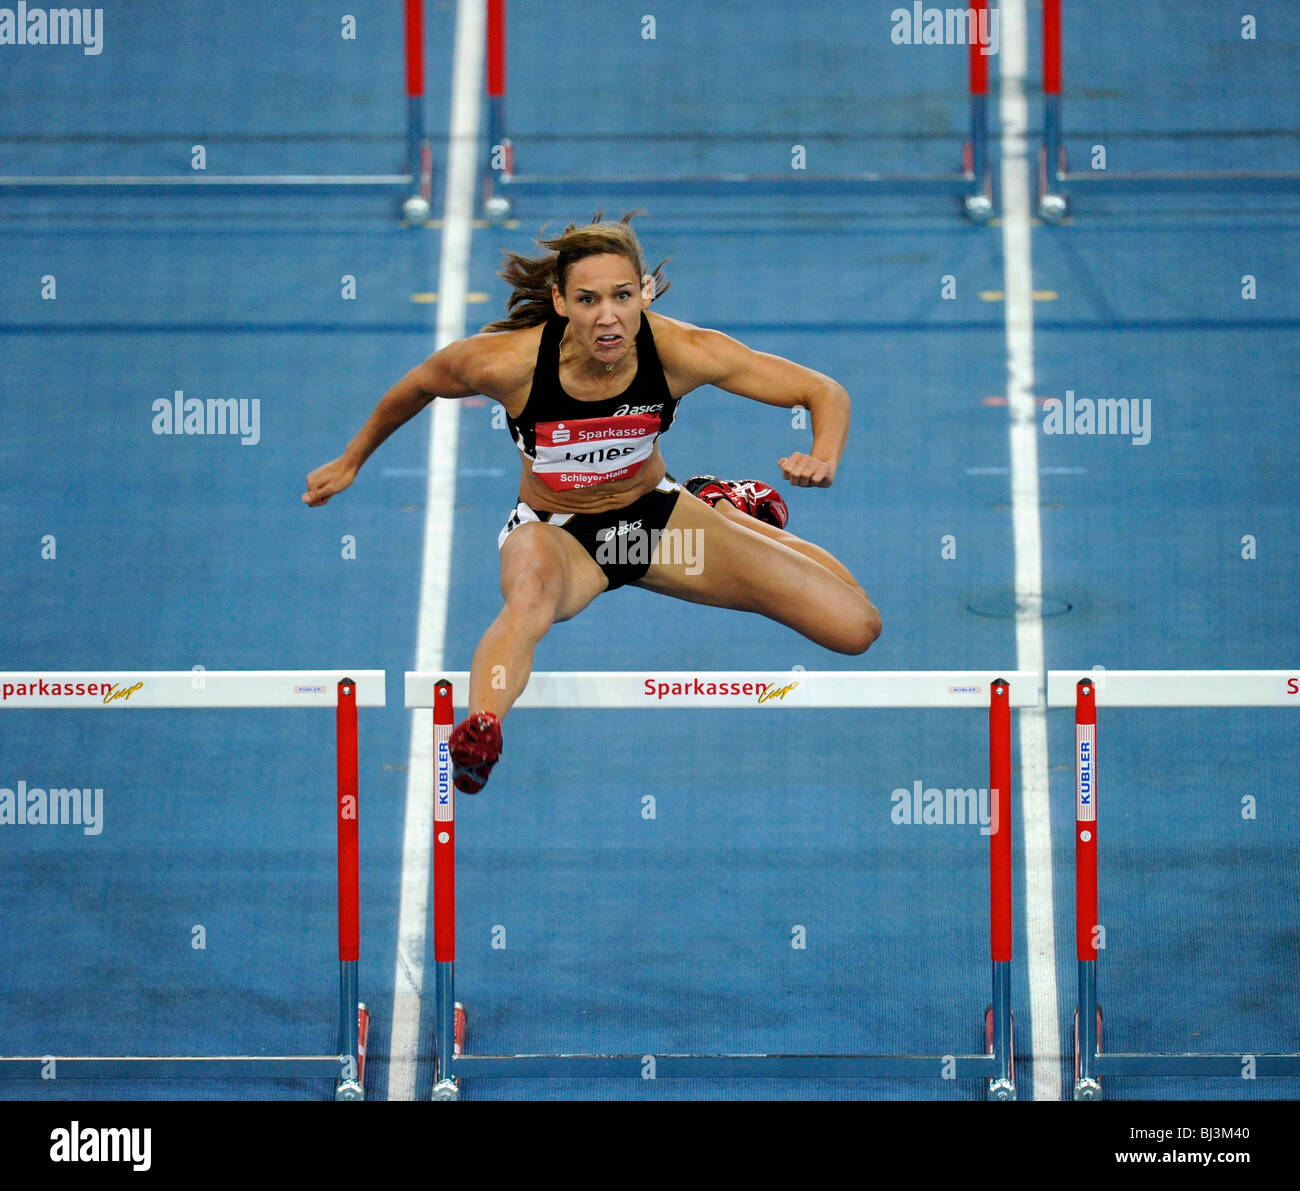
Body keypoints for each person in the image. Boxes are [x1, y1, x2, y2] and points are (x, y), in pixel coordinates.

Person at [304, 212, 881, 792]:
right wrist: (352, 458)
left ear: (643, 294)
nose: (608, 316)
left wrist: (824, 455)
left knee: (856, 628)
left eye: (623, 296)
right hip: (558, 534)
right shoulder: (506, 363)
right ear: (560, 302)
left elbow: (820, 390)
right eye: (588, 299)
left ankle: (718, 507)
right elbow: (421, 383)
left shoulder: (683, 351)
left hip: (659, 523)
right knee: (530, 595)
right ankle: (481, 731)